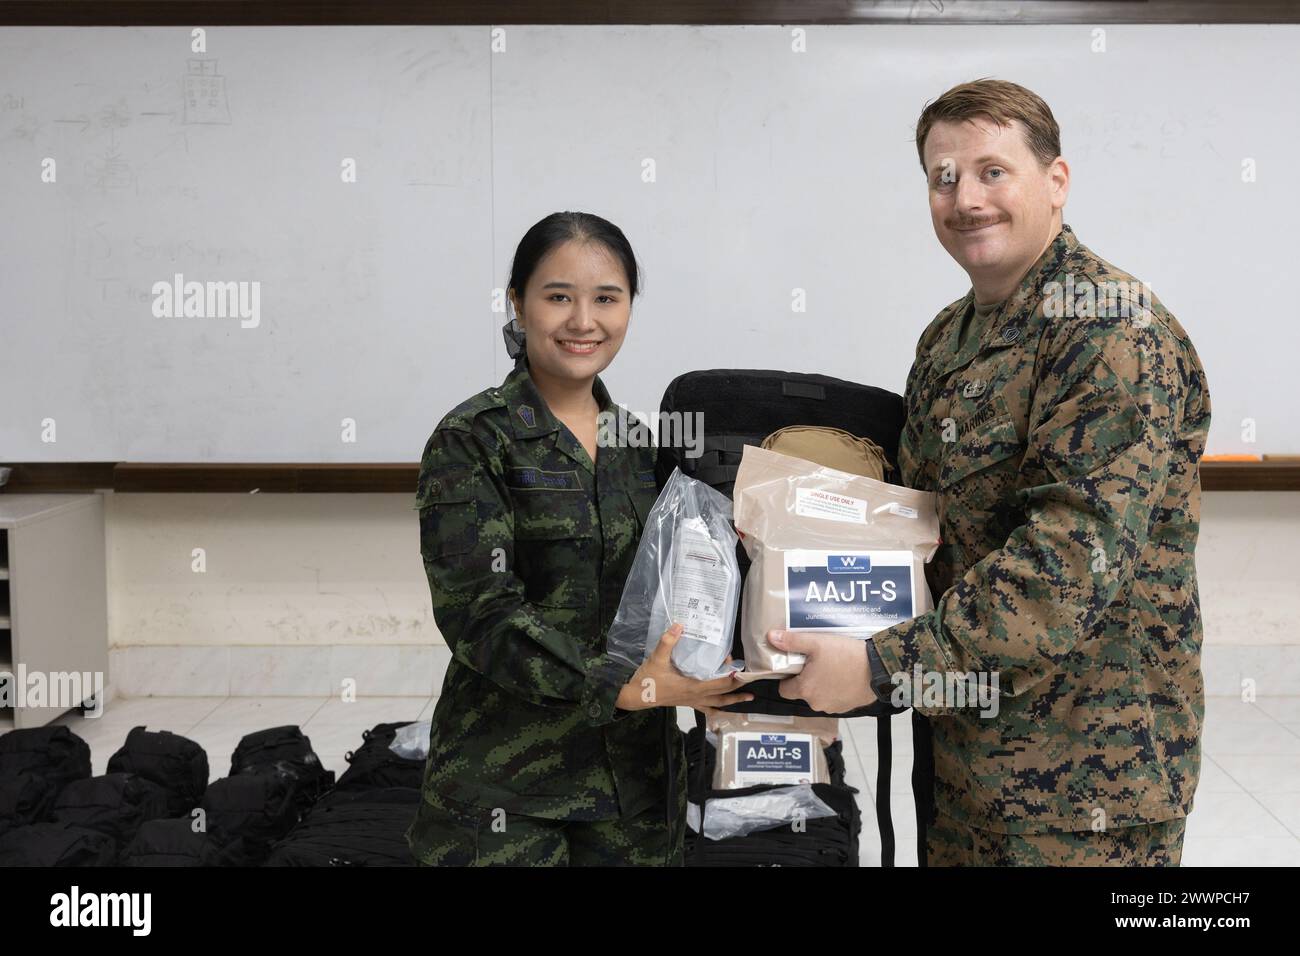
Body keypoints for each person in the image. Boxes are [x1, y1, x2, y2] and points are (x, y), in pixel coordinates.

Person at [768, 79, 1210, 866]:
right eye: (944, 177)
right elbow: (916, 525)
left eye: (992, 171)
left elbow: (1066, 568)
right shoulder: (949, 337)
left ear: (1056, 180)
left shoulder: (1108, 329)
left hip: (1081, 791)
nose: (966, 197)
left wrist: (876, 665)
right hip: (965, 763)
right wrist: (781, 544)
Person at [405, 211, 752, 867]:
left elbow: (678, 594)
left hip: (637, 792)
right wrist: (621, 683)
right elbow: (478, 615)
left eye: (606, 298)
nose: (583, 320)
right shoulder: (473, 440)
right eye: (558, 295)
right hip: (507, 791)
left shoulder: (640, 444)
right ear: (518, 302)